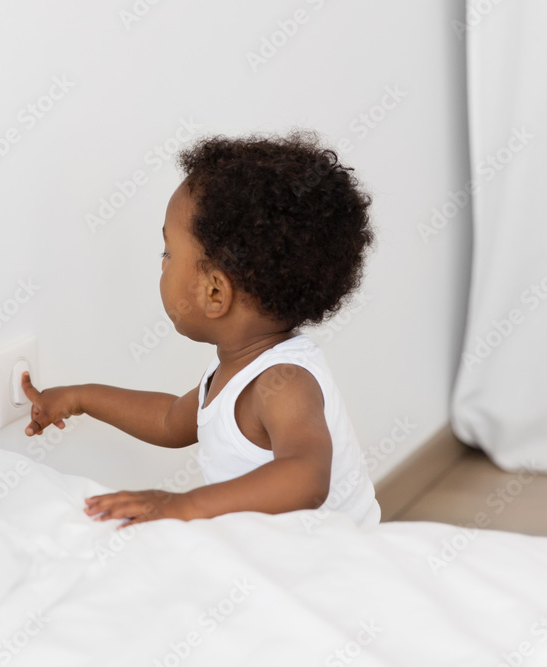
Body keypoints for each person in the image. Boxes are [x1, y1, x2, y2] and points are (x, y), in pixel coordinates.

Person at [21, 131, 381, 530]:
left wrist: (184, 505)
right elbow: (170, 420)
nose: (162, 265)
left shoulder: (285, 381)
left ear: (214, 292)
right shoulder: (234, 368)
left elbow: (307, 478)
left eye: (168, 253)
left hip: (334, 563)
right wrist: (79, 397)